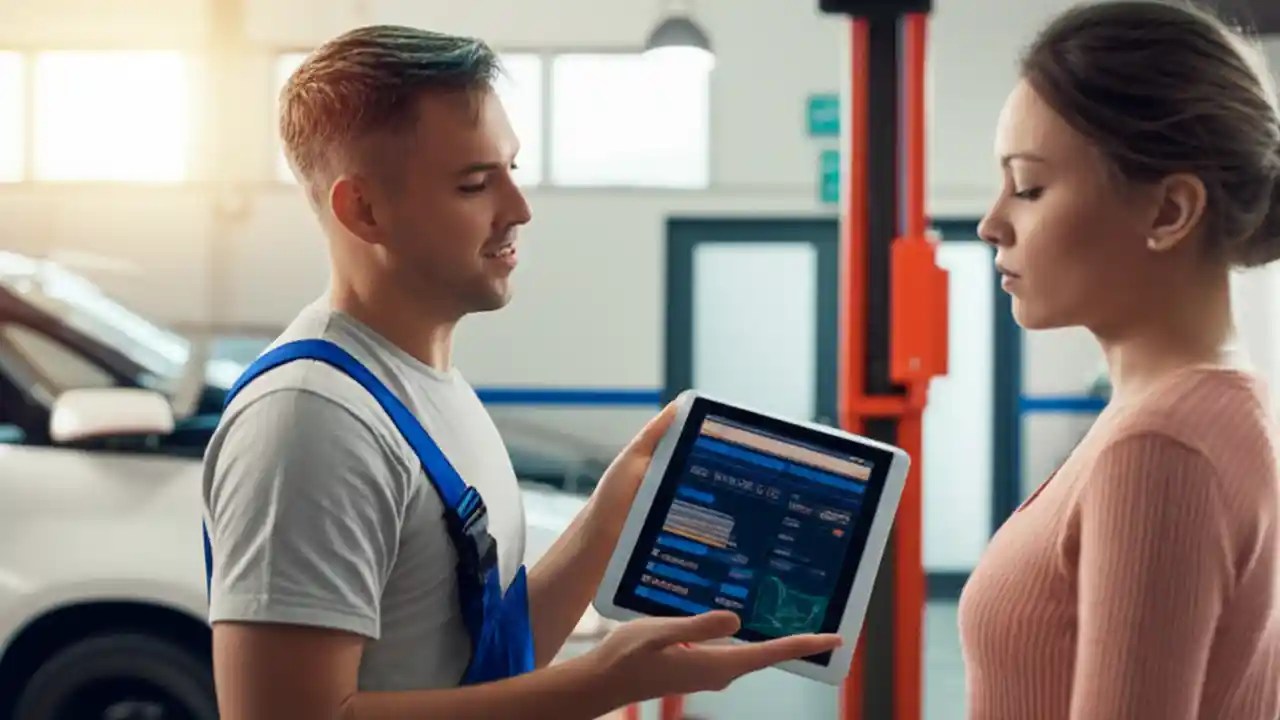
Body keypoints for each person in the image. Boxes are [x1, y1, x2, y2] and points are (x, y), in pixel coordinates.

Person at [200, 24, 839, 720]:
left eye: (512, 170)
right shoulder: (311, 422)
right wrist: (600, 684)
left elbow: (485, 658)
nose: (519, 209)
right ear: (364, 209)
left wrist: (611, 510)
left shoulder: (428, 387)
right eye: (476, 184)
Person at [963, 2, 1280, 718]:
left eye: (1030, 186)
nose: (992, 223)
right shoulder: (1210, 409)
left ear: (1168, 212)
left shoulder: (1161, 446)